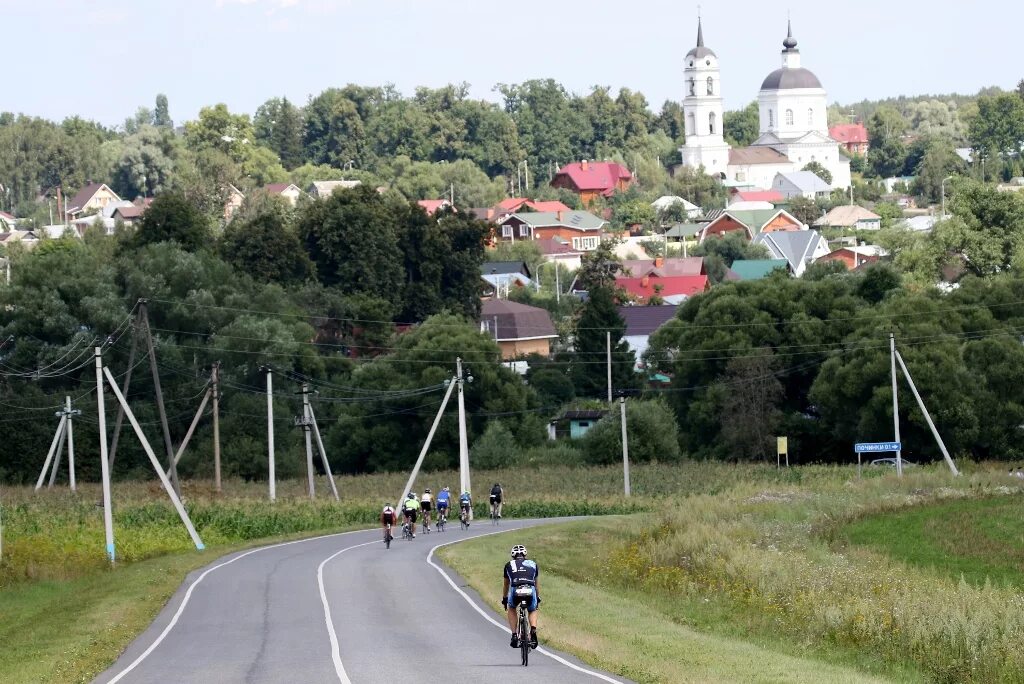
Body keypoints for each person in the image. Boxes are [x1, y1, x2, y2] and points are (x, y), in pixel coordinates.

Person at [501, 544, 539, 649]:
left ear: (513, 556)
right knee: (532, 609)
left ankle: (514, 634)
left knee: (512, 608)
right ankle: (533, 629)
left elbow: (506, 584)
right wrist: (538, 597)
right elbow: (536, 584)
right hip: (530, 588)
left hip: (516, 589)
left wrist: (504, 598)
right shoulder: (533, 564)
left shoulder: (508, 565)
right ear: (525, 554)